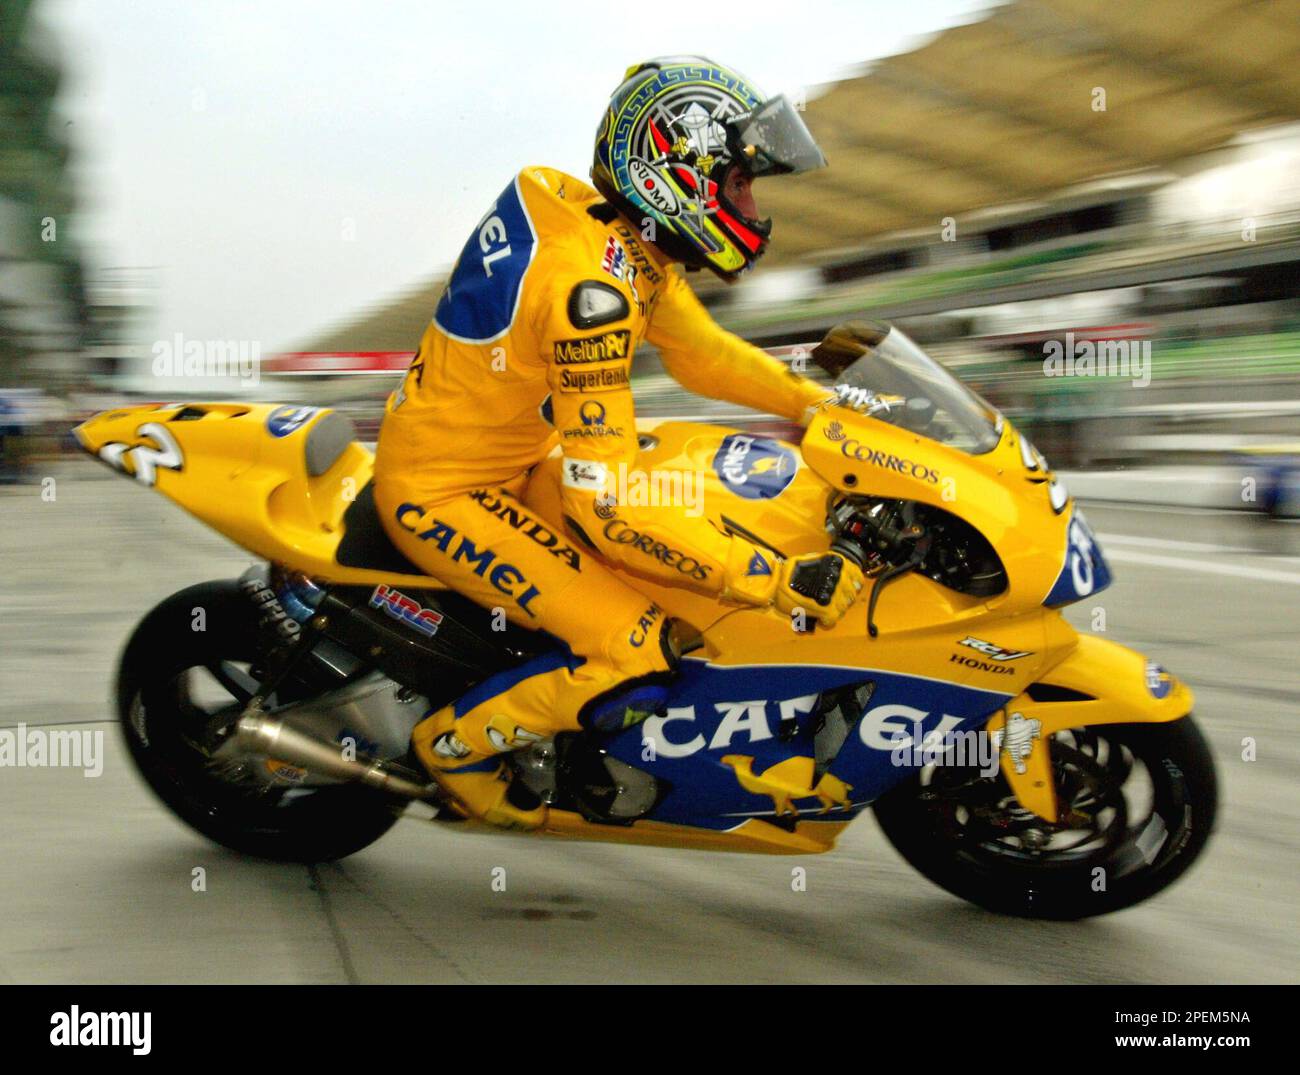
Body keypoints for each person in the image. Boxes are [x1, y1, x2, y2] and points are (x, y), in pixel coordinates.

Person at [373, 56, 867, 829]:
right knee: (638, 648)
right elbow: (607, 507)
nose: (754, 204)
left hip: (509, 461)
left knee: (691, 522)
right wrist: (770, 575)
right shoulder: (590, 298)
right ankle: (451, 751)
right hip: (444, 492)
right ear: (679, 177)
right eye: (741, 182)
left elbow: (701, 352)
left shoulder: (610, 232)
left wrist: (819, 404)